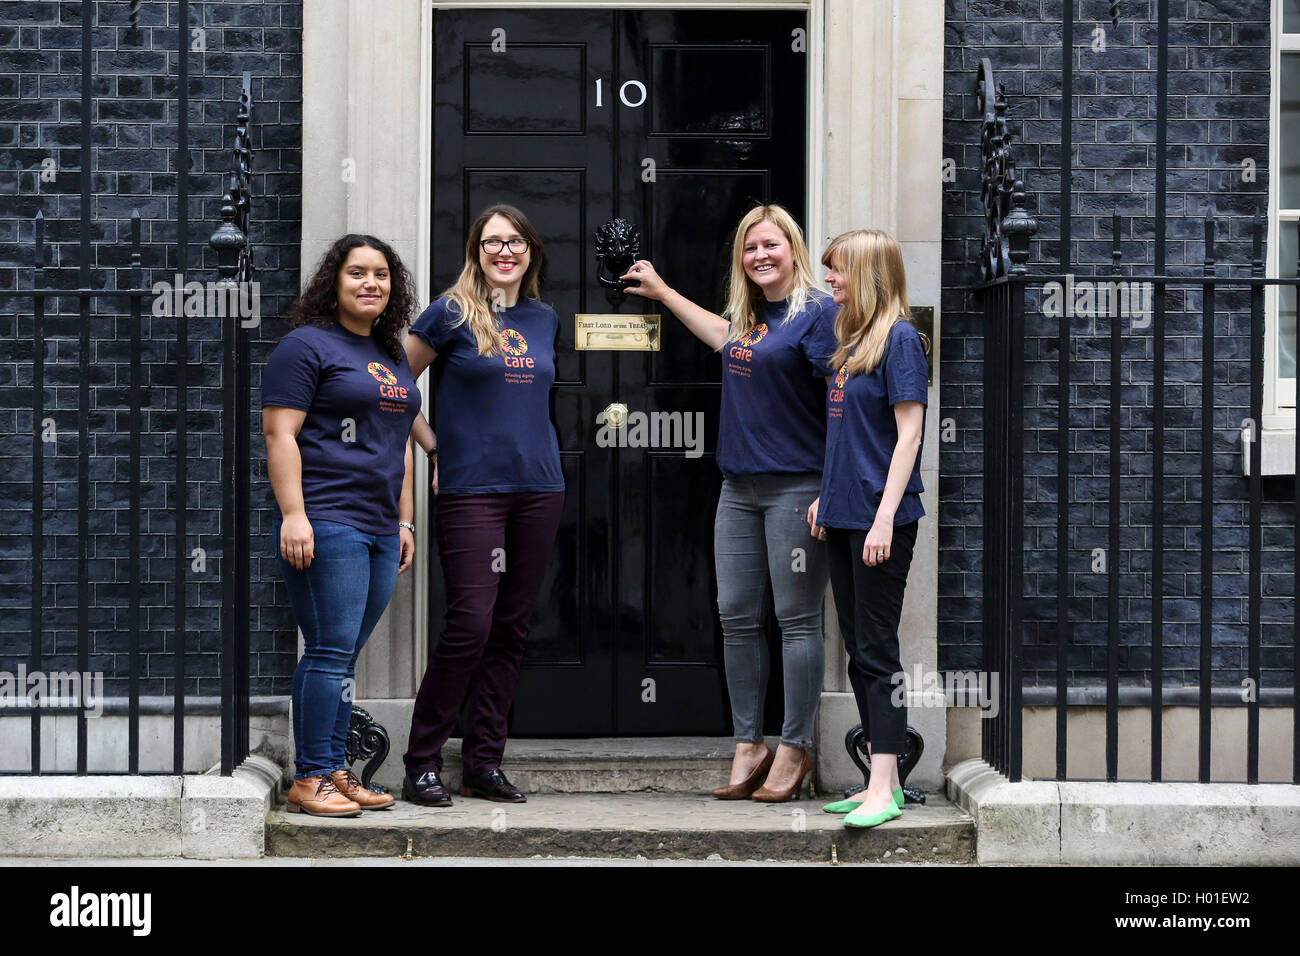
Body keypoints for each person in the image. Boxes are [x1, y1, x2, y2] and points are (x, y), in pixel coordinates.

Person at [623, 204, 838, 801]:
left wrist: (832, 486)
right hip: (738, 489)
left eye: (770, 244)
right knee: (737, 617)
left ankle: (795, 747)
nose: (760, 256)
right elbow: (721, 336)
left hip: (798, 487)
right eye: (750, 248)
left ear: (793, 248)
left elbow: (841, 402)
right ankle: (750, 743)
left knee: (796, 620)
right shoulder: (750, 317)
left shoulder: (819, 315)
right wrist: (664, 292)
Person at [401, 204, 564, 806]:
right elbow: (391, 385)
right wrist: (432, 443)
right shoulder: (449, 313)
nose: (504, 251)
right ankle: (421, 761)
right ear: (476, 251)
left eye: (515, 241)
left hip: (540, 486)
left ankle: (483, 762)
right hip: (471, 489)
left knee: (511, 628)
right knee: (470, 624)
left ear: (530, 252)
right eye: (492, 241)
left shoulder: (544, 318)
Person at [263, 234, 422, 817]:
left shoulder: (391, 353)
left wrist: (404, 521)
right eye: (357, 273)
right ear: (335, 281)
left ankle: (334, 768)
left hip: (381, 527)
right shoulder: (305, 347)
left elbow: (400, 438)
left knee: (342, 655)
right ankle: (310, 777)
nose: (370, 283)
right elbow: (280, 434)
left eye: (381, 274)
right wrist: (295, 515)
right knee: (328, 651)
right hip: (328, 519)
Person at [806, 229, 928, 829]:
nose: (830, 280)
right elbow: (847, 435)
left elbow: (909, 437)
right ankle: (878, 781)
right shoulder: (850, 340)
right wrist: (826, 497)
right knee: (857, 651)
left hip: (883, 520)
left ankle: (887, 785)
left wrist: (882, 518)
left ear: (870, 274)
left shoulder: (902, 340)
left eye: (838, 271)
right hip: (845, 514)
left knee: (878, 652)